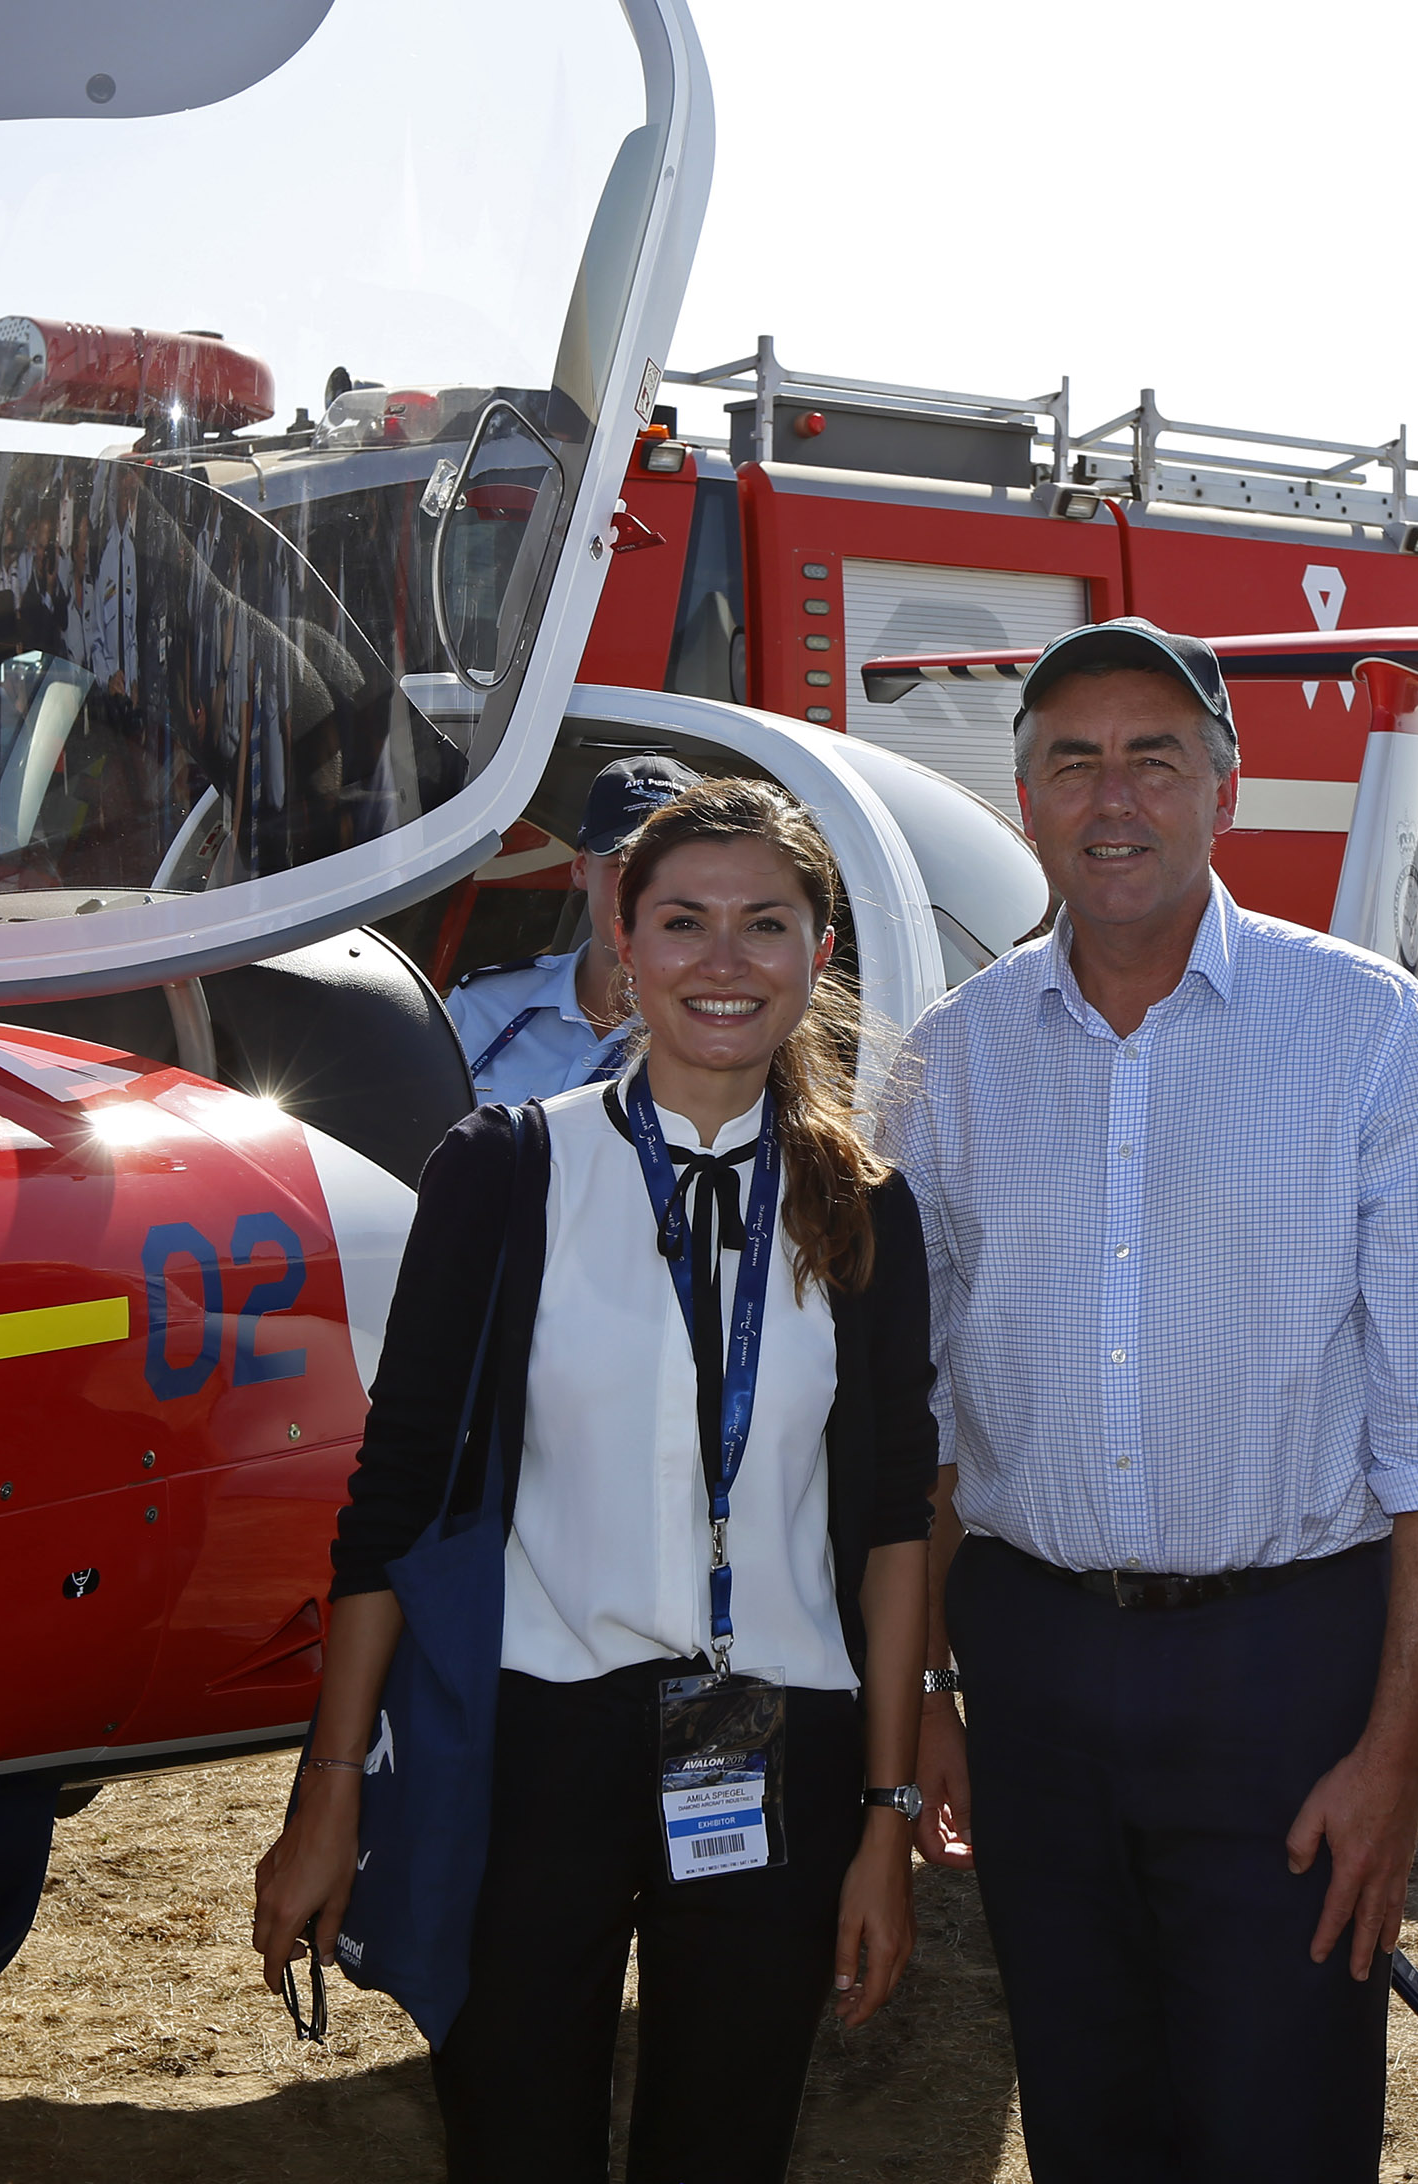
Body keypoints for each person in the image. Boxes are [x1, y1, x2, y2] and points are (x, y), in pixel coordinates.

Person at [883, 617, 1418, 2181]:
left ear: (1225, 791)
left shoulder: (1369, 1034)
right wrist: (940, 1696)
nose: (1114, 798)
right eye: (1072, 761)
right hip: (1031, 1664)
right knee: (1089, 2118)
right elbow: (928, 1424)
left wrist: (1398, 1757)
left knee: (1280, 2125)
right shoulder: (950, 1065)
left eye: (1154, 759)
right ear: (1021, 799)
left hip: (1284, 1670)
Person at [255, 777, 936, 2183]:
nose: (723, 961)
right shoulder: (506, 1170)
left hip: (766, 1742)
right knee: (515, 2140)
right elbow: (391, 1506)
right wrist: (328, 1793)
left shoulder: (862, 1207)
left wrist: (882, 1821)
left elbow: (887, 1530)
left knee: (724, 2146)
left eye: (767, 924)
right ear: (623, 940)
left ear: (820, 955)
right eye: (683, 921)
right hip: (535, 1747)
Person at [444, 754, 699, 1101]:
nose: (646, 890)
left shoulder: (723, 1032)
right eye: (623, 864)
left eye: (671, 867)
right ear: (580, 869)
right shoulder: (482, 1007)